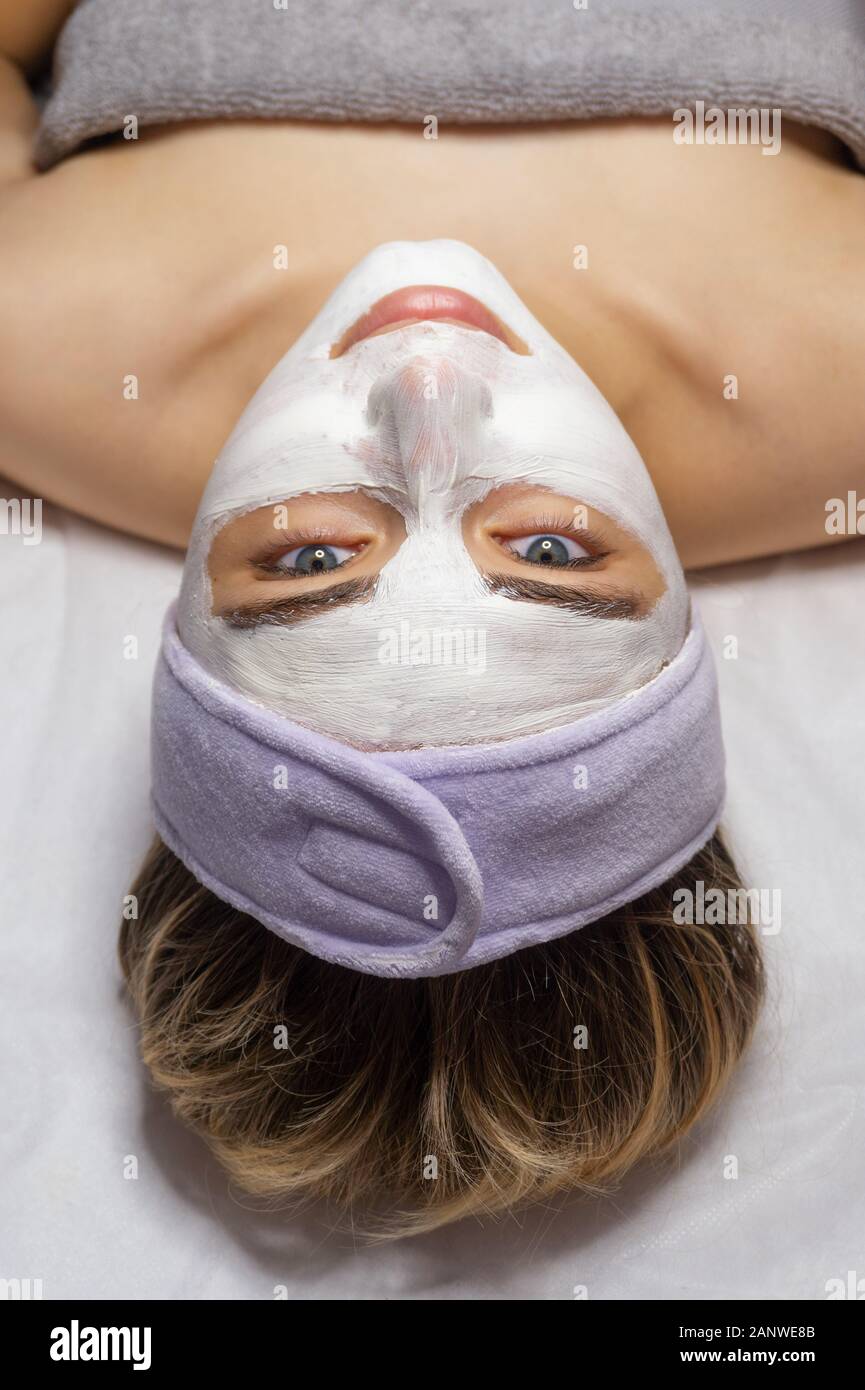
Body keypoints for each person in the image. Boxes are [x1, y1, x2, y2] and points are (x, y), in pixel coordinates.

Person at [1, 2, 861, 1237]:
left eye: (308, 557)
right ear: (681, 629)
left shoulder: (39, 338)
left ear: (188, 613)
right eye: (551, 550)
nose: (426, 387)